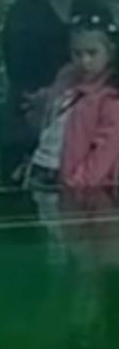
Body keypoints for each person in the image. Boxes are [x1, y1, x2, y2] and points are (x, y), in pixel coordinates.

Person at [0, 0, 101, 182]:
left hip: (85, 116)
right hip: (27, 116)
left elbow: (107, 66)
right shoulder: (23, 12)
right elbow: (15, 65)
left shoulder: (95, 11)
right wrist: (44, 98)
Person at [27, 12, 119, 214]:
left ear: (110, 52)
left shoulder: (111, 100)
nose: (84, 61)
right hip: (40, 174)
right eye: (77, 53)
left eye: (92, 53)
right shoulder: (66, 78)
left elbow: (101, 159)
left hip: (71, 189)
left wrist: (74, 188)